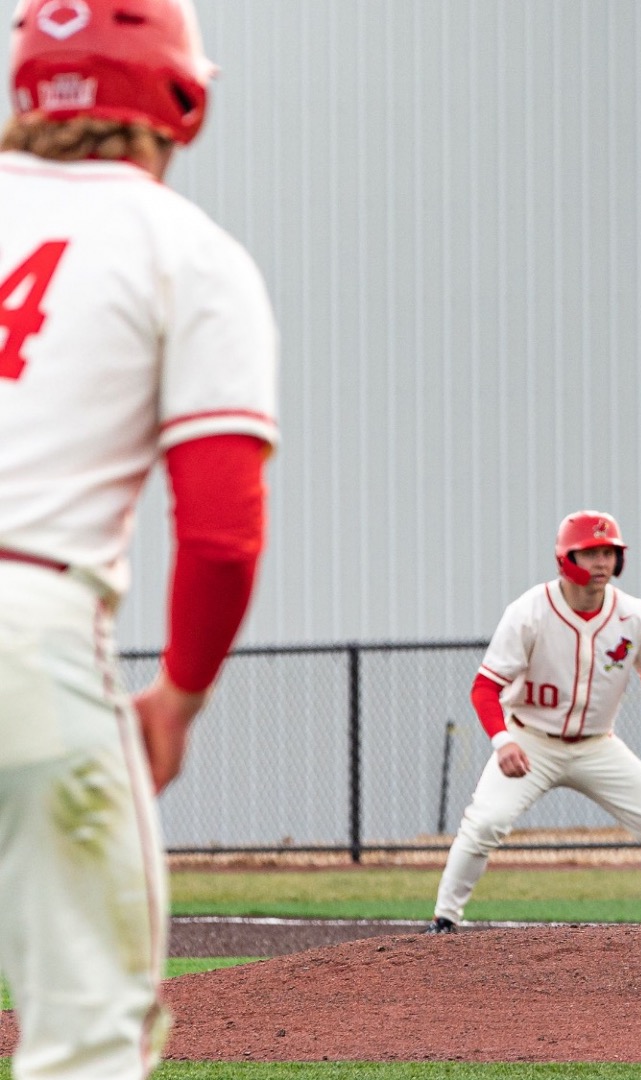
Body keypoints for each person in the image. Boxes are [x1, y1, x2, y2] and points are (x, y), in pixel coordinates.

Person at [0, 2, 277, 1075]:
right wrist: (179, 694)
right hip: (31, 634)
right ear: (180, 96)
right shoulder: (186, 251)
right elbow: (220, 535)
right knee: (84, 1039)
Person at [428, 511, 641, 930]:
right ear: (565, 559)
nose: (601, 562)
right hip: (530, 740)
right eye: (589, 553)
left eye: (609, 552)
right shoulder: (530, 611)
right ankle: (444, 920)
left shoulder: (632, 615)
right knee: (486, 823)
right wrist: (502, 740)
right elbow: (484, 688)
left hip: (596, 746)